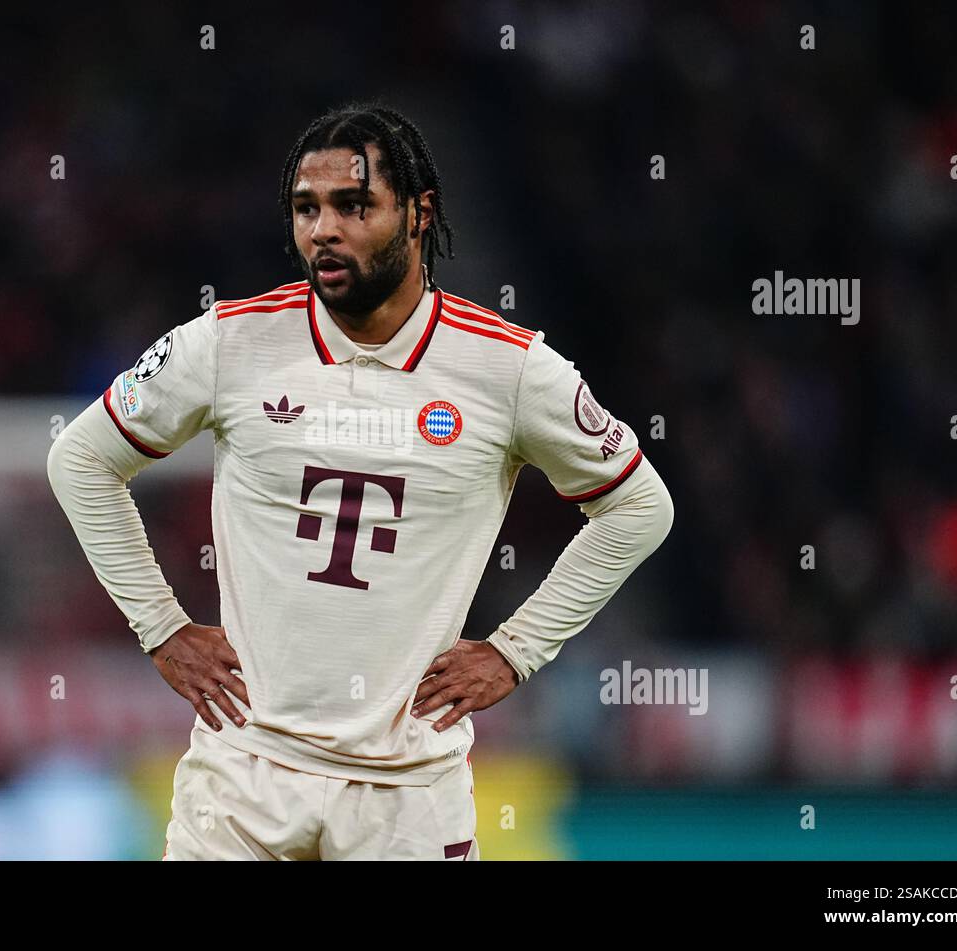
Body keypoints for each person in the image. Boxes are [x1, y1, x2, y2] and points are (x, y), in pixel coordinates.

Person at [47, 102, 673, 860]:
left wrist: (515, 649)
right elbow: (80, 459)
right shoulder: (229, 342)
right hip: (242, 781)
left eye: (353, 204)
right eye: (306, 208)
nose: (323, 230)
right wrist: (161, 625)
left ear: (418, 214)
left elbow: (639, 506)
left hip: (406, 796)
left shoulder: (509, 369)